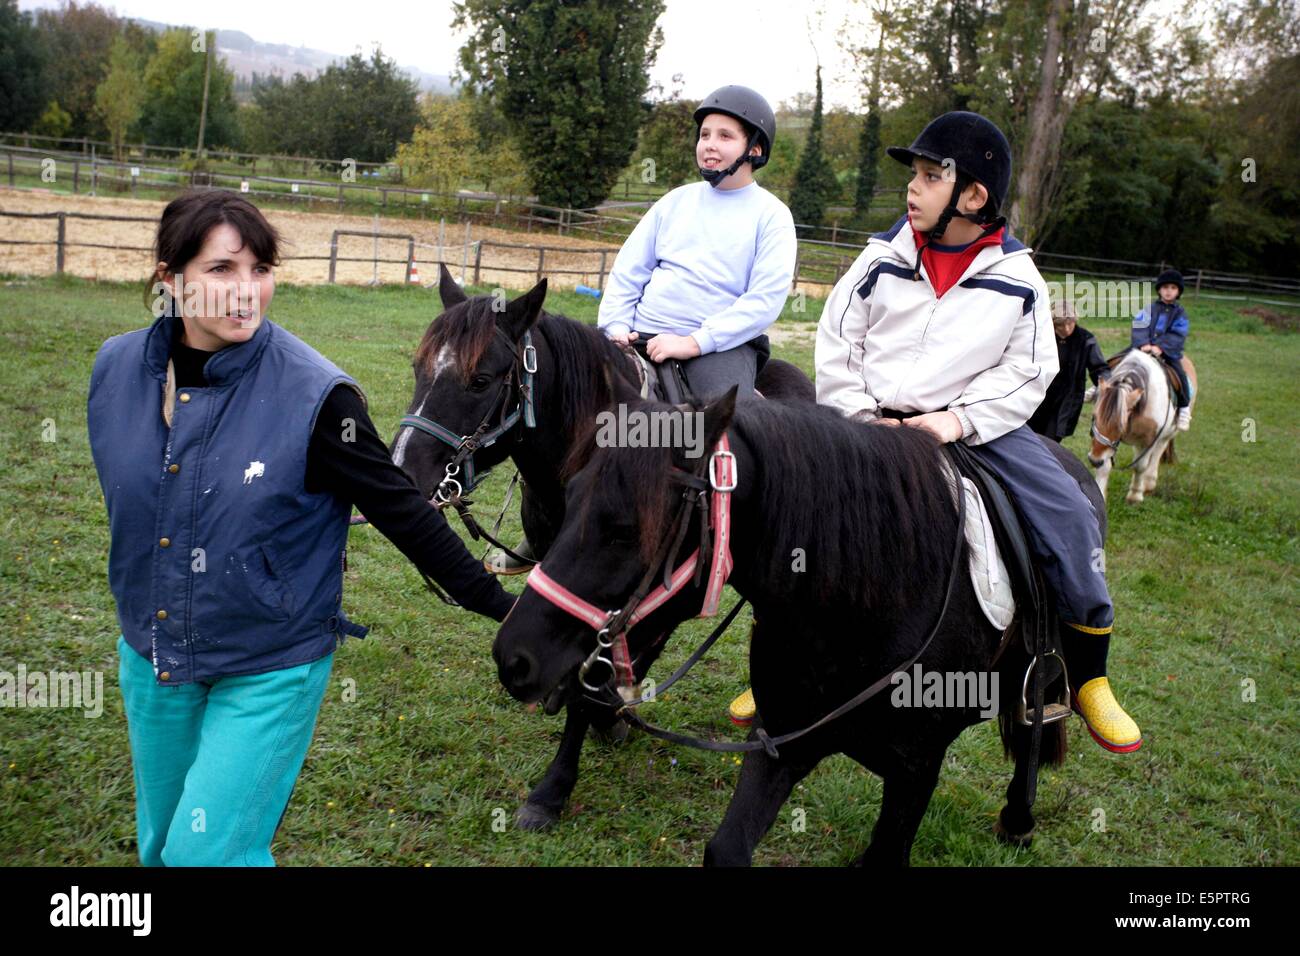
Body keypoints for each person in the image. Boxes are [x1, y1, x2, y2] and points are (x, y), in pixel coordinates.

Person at [88, 190, 517, 866]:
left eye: (260, 270)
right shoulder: (116, 370)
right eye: (221, 270)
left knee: (205, 856)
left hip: (267, 663)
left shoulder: (316, 398)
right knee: (160, 845)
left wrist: (502, 604)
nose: (246, 292)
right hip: (154, 652)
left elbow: (402, 511)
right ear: (168, 280)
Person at [815, 111, 1142, 752]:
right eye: (914, 174)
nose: (912, 188)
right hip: (867, 420)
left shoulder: (1018, 280)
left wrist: (955, 420)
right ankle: (801, 659)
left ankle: (1088, 675)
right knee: (805, 511)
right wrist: (860, 417)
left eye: (930, 176)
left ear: (973, 196)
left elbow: (1029, 371)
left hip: (975, 428)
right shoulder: (879, 259)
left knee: (1070, 515)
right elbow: (837, 340)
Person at [1028, 300, 1111, 442]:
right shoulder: (1040, 336)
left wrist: (1106, 384)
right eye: (1060, 325)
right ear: (1052, 322)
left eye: (1070, 323)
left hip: (1066, 400)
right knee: (1031, 437)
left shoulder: (1085, 339)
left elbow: (1099, 368)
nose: (1066, 329)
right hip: (1038, 396)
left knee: (1051, 441)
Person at [1131, 269, 1193, 431]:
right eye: (1165, 287)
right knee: (1118, 359)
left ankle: (1184, 409)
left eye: (1173, 288)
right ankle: (1100, 386)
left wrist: (1161, 347)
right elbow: (1139, 325)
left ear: (1178, 291)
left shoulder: (1180, 313)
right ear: (1159, 289)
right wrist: (1143, 343)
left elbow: (1178, 334)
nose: (1168, 291)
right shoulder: (1148, 309)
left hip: (1168, 353)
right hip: (1143, 348)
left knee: (1180, 376)